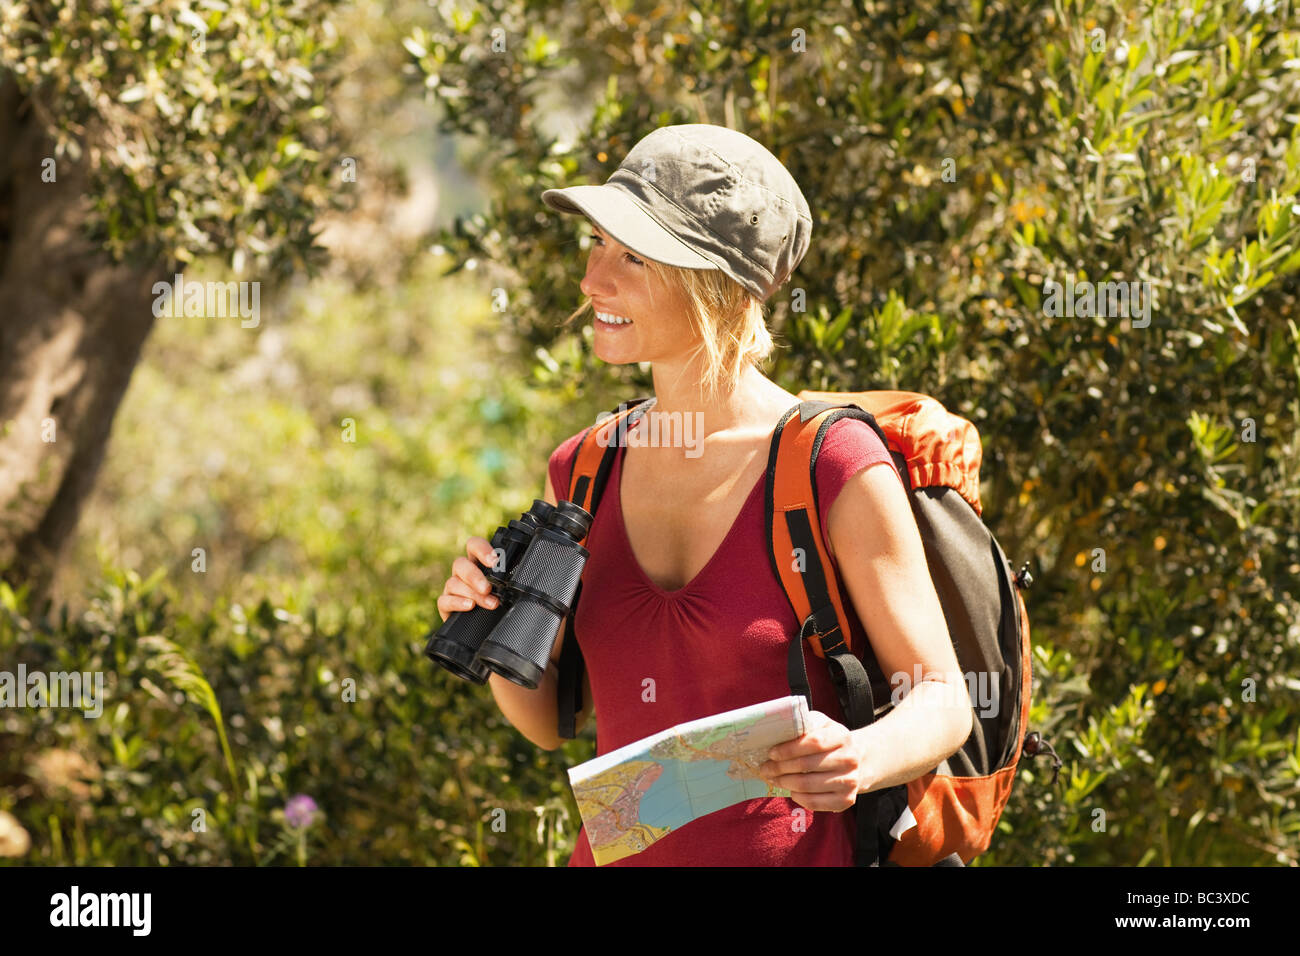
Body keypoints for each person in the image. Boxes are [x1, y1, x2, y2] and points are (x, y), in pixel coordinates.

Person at [436, 124, 971, 866]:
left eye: (632, 254)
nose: (594, 279)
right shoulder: (584, 468)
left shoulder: (829, 462)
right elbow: (549, 723)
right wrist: (489, 622)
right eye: (595, 243)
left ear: (714, 281)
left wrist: (861, 756)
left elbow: (944, 697)